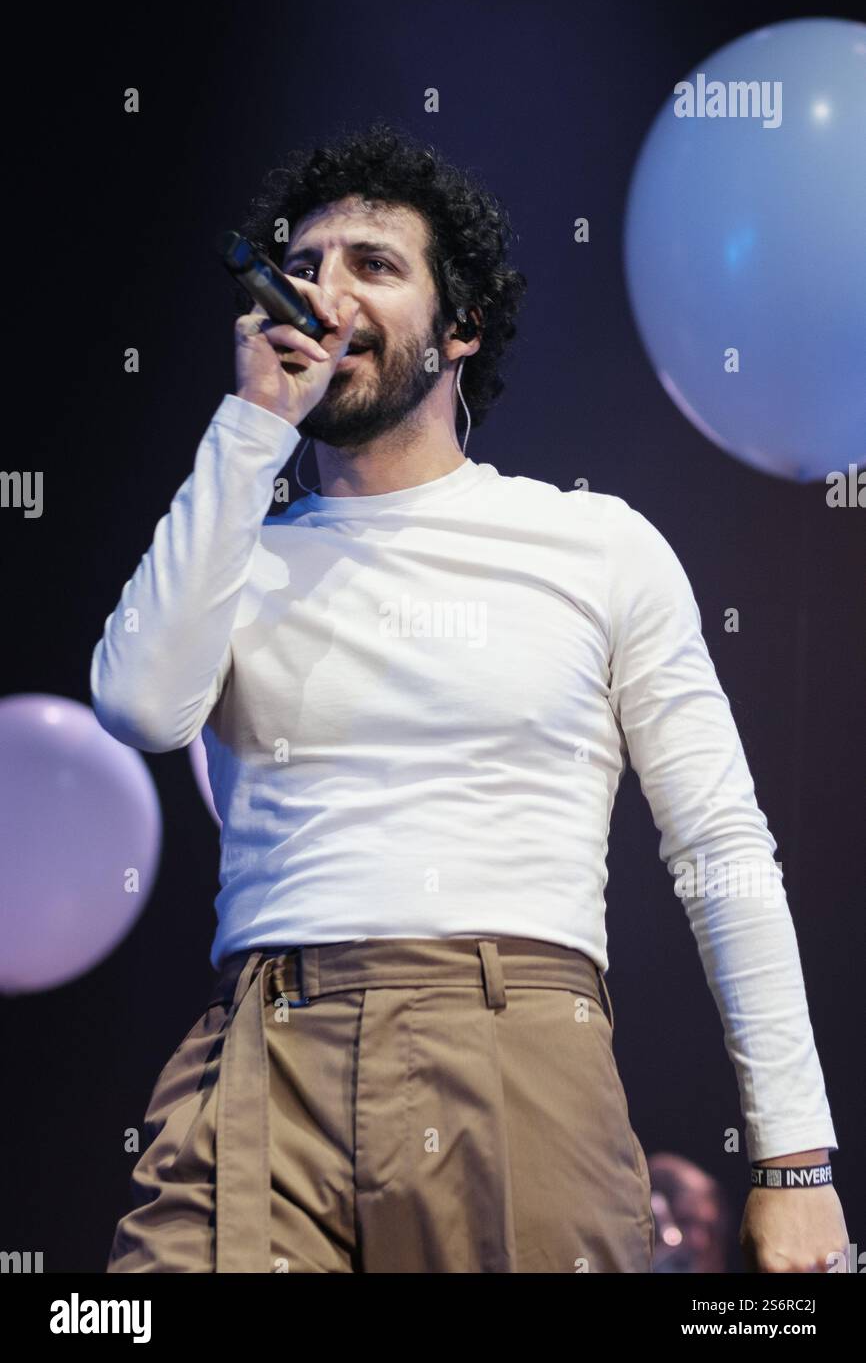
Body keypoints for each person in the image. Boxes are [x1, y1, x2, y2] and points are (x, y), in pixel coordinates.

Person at [92, 120, 846, 1274]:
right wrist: (248, 430)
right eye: (300, 266)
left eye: (370, 266)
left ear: (459, 327)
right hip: (264, 1045)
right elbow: (139, 707)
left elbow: (719, 844)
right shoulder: (237, 543)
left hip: (513, 1041)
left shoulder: (591, 544)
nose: (320, 291)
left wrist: (792, 1162)